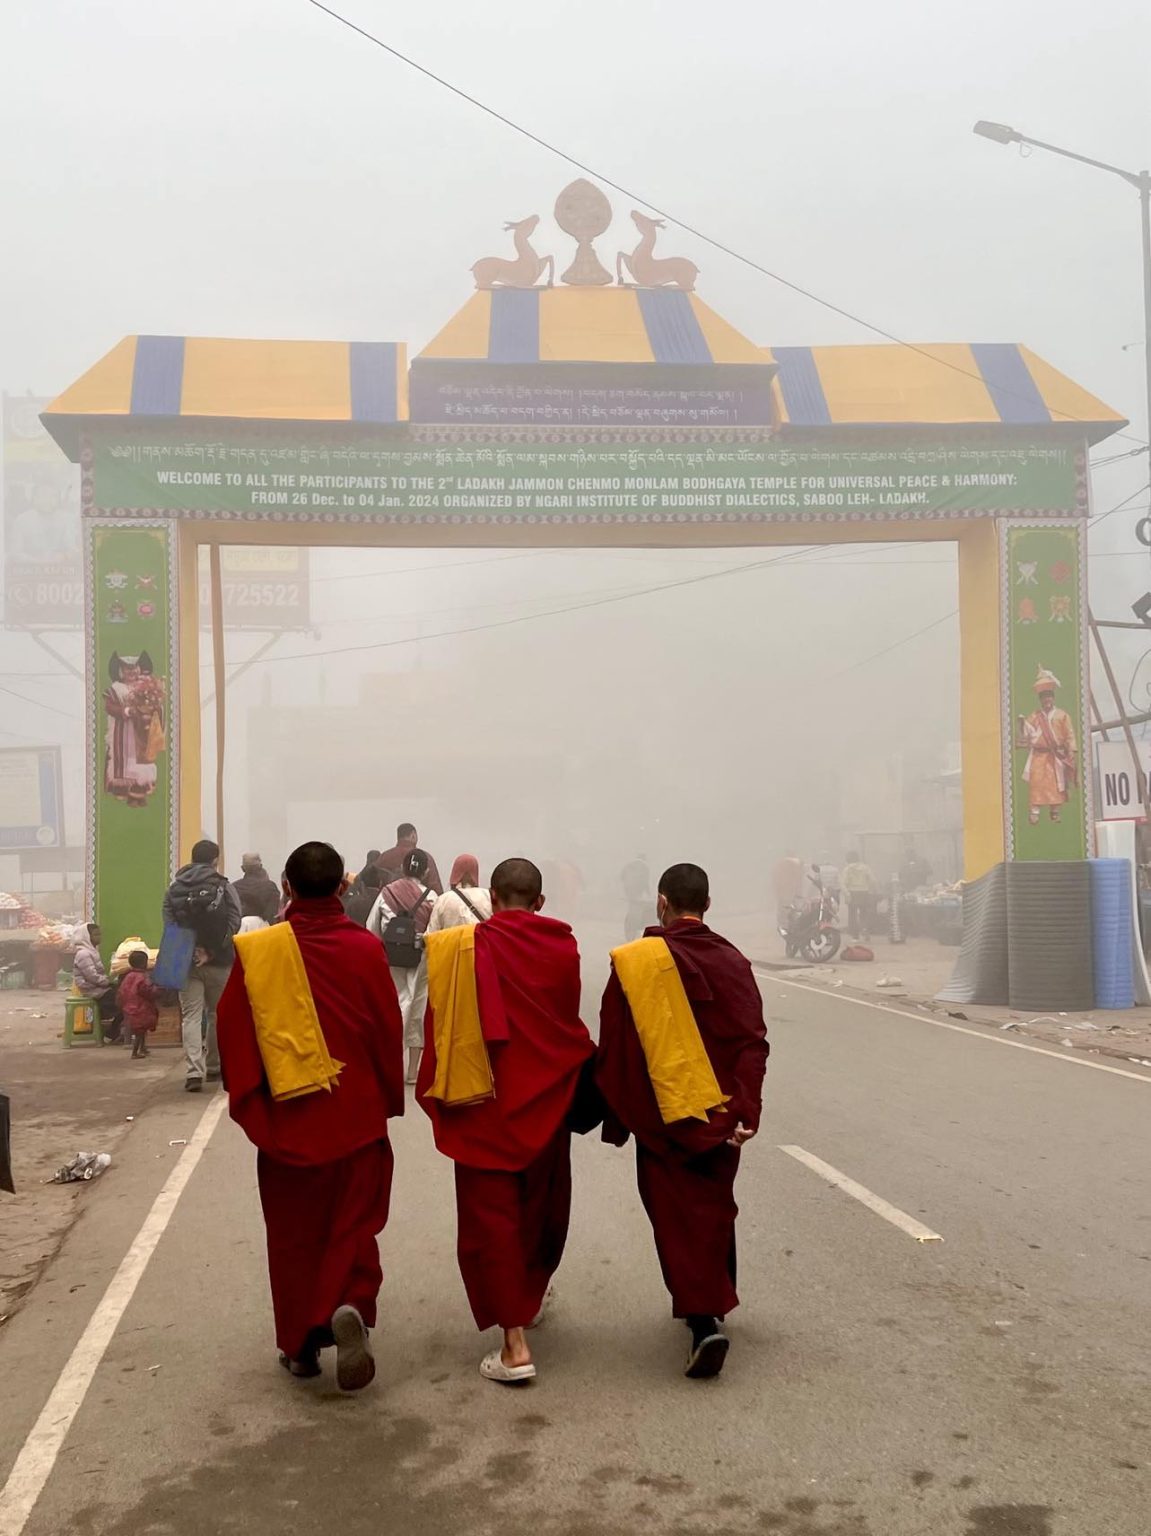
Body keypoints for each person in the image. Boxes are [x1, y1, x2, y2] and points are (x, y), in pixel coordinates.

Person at [216, 841, 405, 1389]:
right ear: (343, 889)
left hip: (290, 1118)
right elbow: (385, 1031)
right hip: (355, 1113)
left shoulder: (262, 951)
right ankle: (346, 1302)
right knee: (353, 1224)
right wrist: (385, 1100)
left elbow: (233, 1035)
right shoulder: (365, 949)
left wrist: (254, 1100)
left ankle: (300, 1346)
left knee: (294, 1234)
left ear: (287, 888)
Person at [418, 857, 592, 1385]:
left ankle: (514, 1343)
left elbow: (439, 1028)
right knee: (540, 1207)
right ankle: (529, 1299)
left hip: (483, 1099)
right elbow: (564, 1019)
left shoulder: (462, 950)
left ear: (492, 898)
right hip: (545, 1097)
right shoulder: (562, 946)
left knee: (490, 1215)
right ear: (540, 902)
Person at [596, 862, 769, 1380]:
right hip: (720, 1111)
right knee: (714, 1206)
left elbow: (615, 1049)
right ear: (707, 906)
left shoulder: (637, 962)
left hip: (665, 1114)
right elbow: (751, 1041)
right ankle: (717, 1296)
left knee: (677, 1219)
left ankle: (702, 1321)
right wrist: (746, 1107)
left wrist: (623, 1111)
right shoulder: (732, 961)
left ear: (661, 903)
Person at [163, 838, 242, 1093]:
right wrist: (211, 951)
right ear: (215, 860)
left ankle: (193, 1072)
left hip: (186, 962)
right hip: (218, 961)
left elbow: (170, 926)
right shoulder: (222, 885)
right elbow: (234, 921)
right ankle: (214, 1066)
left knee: (191, 1017)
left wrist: (192, 951)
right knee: (217, 1014)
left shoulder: (173, 889)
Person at [368, 849, 436, 1084]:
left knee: (396, 1004)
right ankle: (412, 1072)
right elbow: (435, 933)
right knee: (417, 1009)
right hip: (420, 960)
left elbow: (372, 927)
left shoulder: (386, 893)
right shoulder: (431, 896)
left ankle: (392, 1063)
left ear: (403, 868)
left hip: (392, 957)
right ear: (425, 871)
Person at [1017, 667, 1078, 826]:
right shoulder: (1036, 716)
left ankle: (1055, 812)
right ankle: (1034, 813)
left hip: (1055, 755)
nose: (1047, 701)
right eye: (1044, 699)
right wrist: (1022, 723)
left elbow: (1069, 734)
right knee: (1036, 783)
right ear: (1041, 700)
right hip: (1039, 755)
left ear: (1053, 698)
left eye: (1049, 698)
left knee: (1056, 784)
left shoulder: (1062, 715)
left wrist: (1071, 750)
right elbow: (1027, 731)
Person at [73, 923, 122, 1042]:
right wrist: (106, 982)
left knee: (124, 994)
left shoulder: (91, 951)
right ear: (86, 937)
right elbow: (92, 976)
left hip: (98, 987)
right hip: (91, 989)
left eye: (99, 934)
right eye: (95, 935)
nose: (99, 937)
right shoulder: (83, 954)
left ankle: (114, 1031)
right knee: (122, 1002)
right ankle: (112, 1031)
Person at [427, 854, 493, 932]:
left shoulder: (443, 899)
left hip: (451, 944)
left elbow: (430, 934)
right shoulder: (488, 897)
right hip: (480, 943)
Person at [375, 823, 444, 895]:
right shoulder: (424, 858)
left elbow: (374, 885)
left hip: (388, 902)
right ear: (413, 835)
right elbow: (436, 889)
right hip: (418, 903)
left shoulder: (384, 857)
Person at [118, 950, 159, 1058]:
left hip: (129, 1008)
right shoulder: (141, 977)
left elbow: (121, 992)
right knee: (140, 1032)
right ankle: (135, 1052)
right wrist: (157, 990)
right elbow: (146, 991)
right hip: (141, 1008)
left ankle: (143, 1048)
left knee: (140, 1030)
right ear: (144, 963)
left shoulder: (128, 976)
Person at [233, 853, 281, 924]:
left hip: (239, 931)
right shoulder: (271, 887)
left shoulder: (234, 887)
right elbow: (272, 915)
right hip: (264, 930)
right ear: (261, 866)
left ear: (242, 868)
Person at [841, 852, 876, 942]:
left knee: (852, 914)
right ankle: (865, 929)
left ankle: (855, 936)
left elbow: (843, 883)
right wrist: (870, 889)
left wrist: (846, 893)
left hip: (852, 893)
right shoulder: (865, 867)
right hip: (864, 892)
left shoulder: (847, 869)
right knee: (864, 912)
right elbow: (872, 880)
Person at [620, 854, 651, 942]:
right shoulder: (645, 866)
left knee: (632, 906)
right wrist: (648, 892)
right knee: (637, 904)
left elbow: (622, 876)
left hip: (629, 889)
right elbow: (646, 880)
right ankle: (635, 922)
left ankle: (632, 922)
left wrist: (625, 886)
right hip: (639, 890)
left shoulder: (629, 864)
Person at [343, 863, 383, 928]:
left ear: (362, 884)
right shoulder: (386, 901)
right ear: (380, 883)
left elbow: (345, 925)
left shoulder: (354, 903)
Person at [771, 850, 804, 928]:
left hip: (782, 890)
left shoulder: (779, 864)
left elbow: (775, 878)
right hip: (793, 890)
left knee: (782, 908)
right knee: (794, 908)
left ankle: (782, 924)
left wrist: (776, 890)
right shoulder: (797, 864)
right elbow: (799, 878)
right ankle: (794, 924)